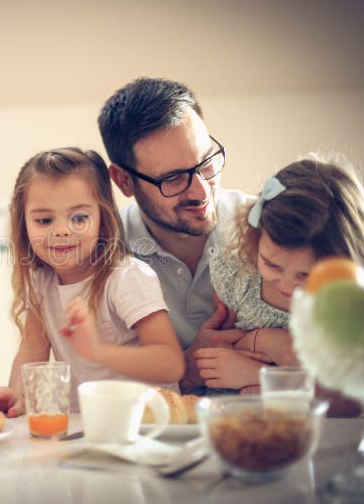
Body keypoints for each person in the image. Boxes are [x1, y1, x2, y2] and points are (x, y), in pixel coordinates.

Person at [0, 148, 184, 416]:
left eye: (79, 218)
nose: (61, 230)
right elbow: (33, 347)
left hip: (147, 425)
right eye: (44, 220)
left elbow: (170, 362)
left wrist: (96, 351)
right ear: (24, 224)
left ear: (102, 220)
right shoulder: (41, 283)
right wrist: (17, 395)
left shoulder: (126, 277)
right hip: (85, 425)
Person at [97, 77, 257, 394]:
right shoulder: (102, 254)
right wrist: (186, 369)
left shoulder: (266, 227)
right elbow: (96, 384)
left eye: (206, 162)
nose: (200, 190)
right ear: (124, 181)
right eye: (172, 179)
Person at [195, 158, 364, 391]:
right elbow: (222, 353)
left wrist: (260, 376)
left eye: (306, 276)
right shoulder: (239, 276)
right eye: (271, 265)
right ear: (256, 238)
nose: (287, 286)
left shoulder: (355, 304)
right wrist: (264, 340)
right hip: (239, 413)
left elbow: (357, 396)